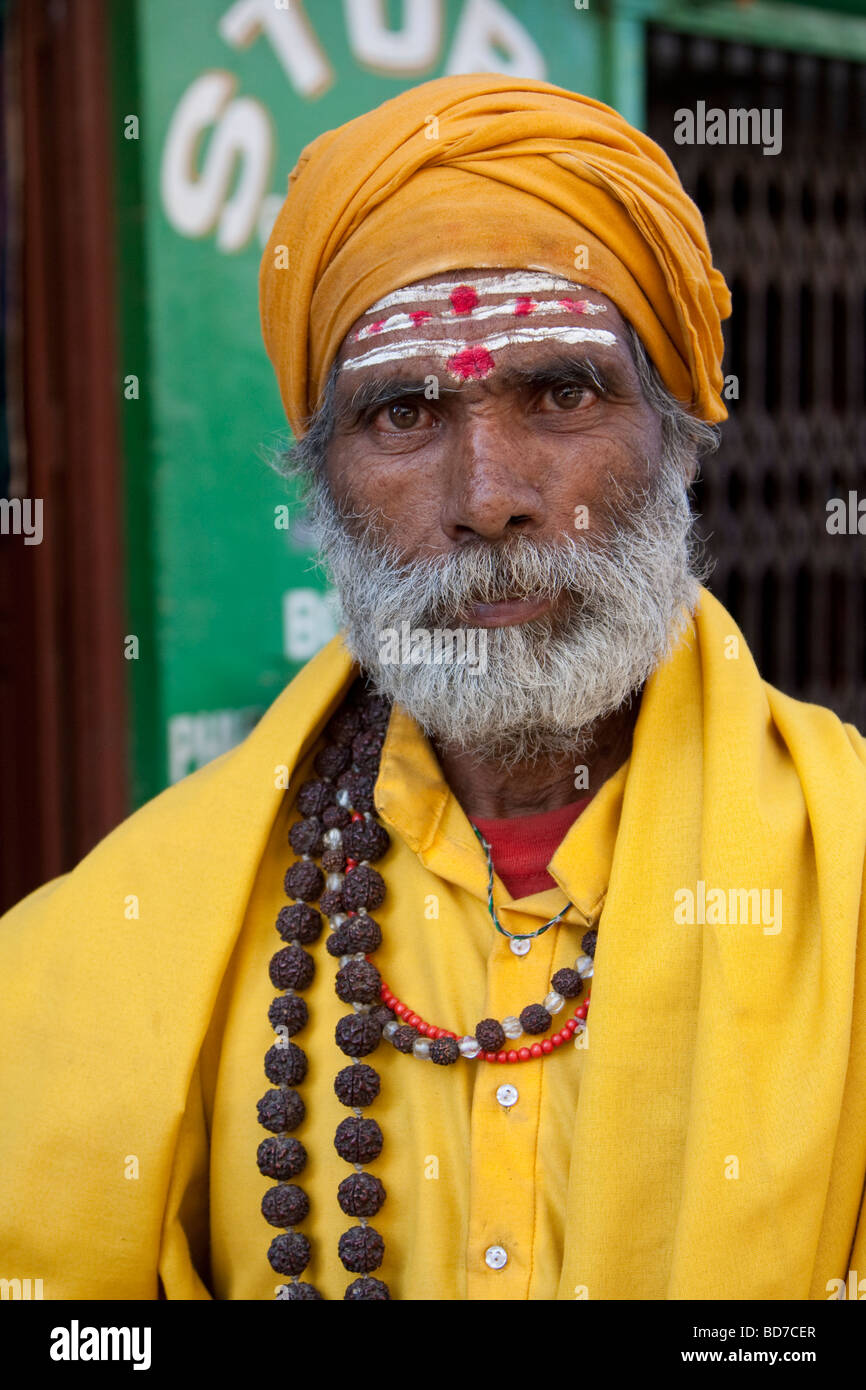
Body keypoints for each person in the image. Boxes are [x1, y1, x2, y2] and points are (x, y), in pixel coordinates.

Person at [2, 73, 865, 1302]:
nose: (486, 495)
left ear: (676, 437)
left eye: (561, 395)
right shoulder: (118, 948)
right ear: (321, 488)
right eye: (404, 413)